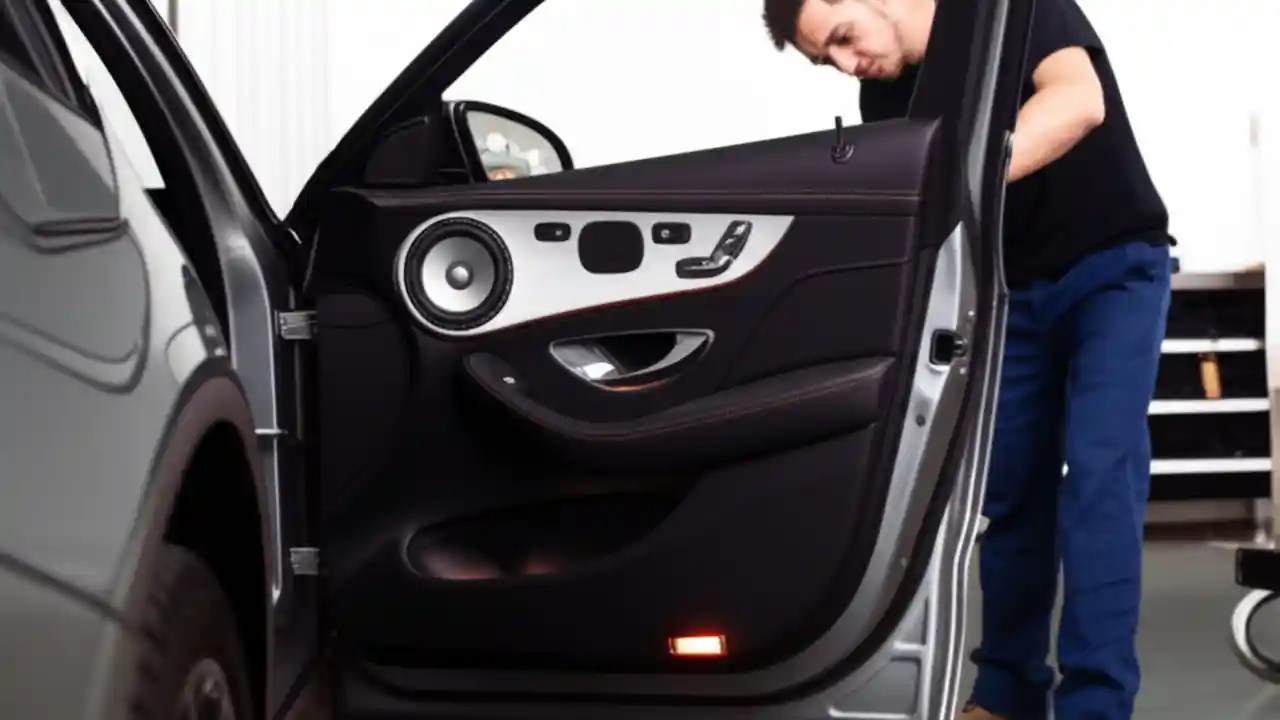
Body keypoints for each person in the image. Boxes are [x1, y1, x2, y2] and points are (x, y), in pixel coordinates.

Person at [761, 1, 1173, 719]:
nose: (848, 65)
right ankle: (1009, 690)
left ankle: (1097, 703)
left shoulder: (1007, 10)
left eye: (843, 40)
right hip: (1014, 293)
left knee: (1100, 477)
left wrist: (962, 172)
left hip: (1112, 270)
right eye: (829, 61)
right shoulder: (884, 96)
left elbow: (1078, 102)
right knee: (1010, 493)